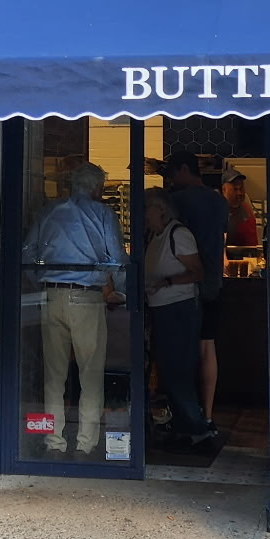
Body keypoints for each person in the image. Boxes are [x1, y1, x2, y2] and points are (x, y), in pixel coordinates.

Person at [24, 162, 125, 458]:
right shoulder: (104, 214)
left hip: (52, 297)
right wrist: (121, 293)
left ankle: (53, 442)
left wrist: (42, 282)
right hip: (86, 299)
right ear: (97, 188)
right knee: (90, 374)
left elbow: (28, 253)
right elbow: (117, 259)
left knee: (53, 376)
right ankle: (85, 444)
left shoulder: (50, 212)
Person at [164, 152, 228, 437]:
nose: (169, 179)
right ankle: (208, 413)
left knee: (182, 351)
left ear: (185, 169)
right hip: (213, 281)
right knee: (207, 347)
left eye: (172, 173)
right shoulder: (217, 200)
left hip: (183, 286)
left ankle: (186, 416)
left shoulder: (177, 201)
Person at [141, 188, 209, 446]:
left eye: (147, 207)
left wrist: (166, 282)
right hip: (162, 310)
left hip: (178, 310)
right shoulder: (156, 236)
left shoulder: (178, 235)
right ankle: (183, 427)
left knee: (178, 369)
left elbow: (197, 272)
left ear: (161, 209)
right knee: (169, 370)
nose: (143, 214)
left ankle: (196, 429)